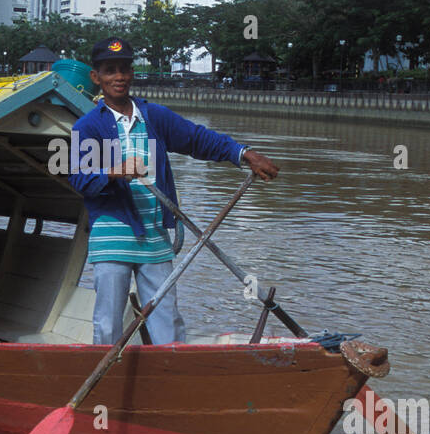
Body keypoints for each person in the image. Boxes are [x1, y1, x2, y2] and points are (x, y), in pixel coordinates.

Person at [67, 37, 280, 345]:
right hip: (112, 235)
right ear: (95, 77)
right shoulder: (88, 127)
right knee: (108, 324)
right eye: (110, 70)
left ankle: (170, 374)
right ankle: (107, 383)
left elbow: (198, 139)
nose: (119, 77)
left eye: (124, 69)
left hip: (155, 236)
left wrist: (244, 154)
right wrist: (114, 172)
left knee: (166, 320)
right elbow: (79, 178)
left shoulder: (153, 117)